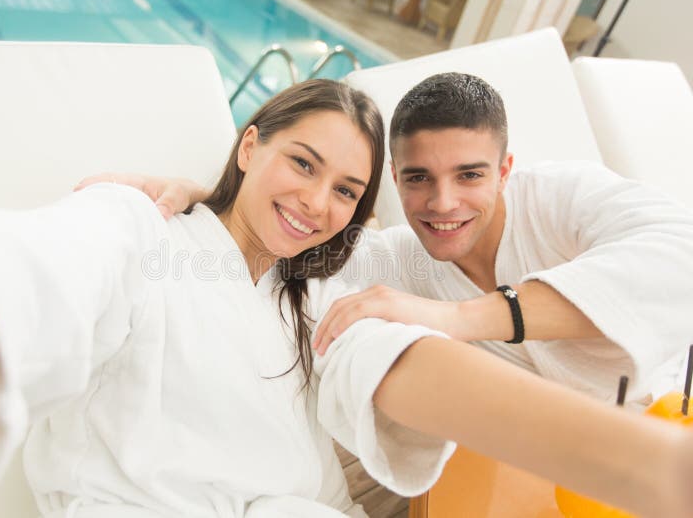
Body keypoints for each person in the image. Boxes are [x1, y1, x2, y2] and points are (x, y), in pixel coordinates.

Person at [0, 80, 692, 518]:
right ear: (250, 144)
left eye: (347, 188)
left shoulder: (319, 281)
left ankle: (657, 469)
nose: (317, 203)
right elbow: (34, 269)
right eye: (302, 164)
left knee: (372, 337)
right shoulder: (134, 227)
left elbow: (386, 349)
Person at [101, 73, 693, 408]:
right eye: (418, 179)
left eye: (470, 175)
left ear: (506, 169)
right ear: (391, 184)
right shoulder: (402, 260)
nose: (442, 204)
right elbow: (294, 235)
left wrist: (461, 319)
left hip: (664, 423)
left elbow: (680, 258)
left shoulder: (563, 199)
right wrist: (210, 195)